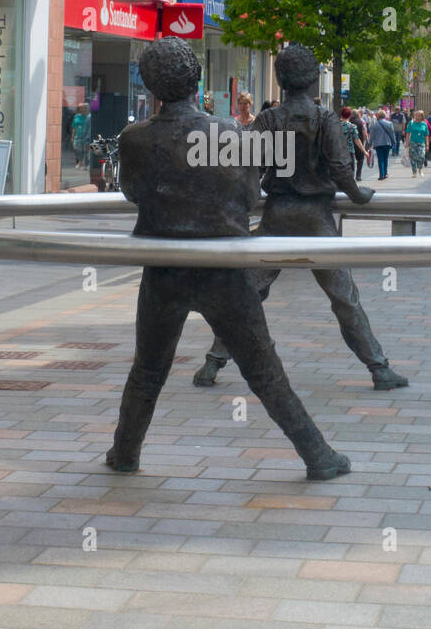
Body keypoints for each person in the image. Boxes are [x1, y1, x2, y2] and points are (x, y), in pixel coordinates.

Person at [111, 38, 350, 481]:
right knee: (264, 369)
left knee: (148, 367)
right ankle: (318, 455)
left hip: (163, 266)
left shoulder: (134, 139)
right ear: (197, 79)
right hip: (225, 265)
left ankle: (125, 453)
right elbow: (247, 196)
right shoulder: (230, 135)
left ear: (150, 88)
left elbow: (133, 193)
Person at [193, 44, 408, 394]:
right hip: (316, 219)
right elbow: (340, 167)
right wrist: (357, 195)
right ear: (312, 80)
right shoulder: (325, 120)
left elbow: (245, 165)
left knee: (249, 292)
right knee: (343, 297)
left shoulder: (268, 119)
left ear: (279, 78)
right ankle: (379, 368)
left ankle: (212, 364)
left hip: (278, 215)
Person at [369, 108, 396, 180]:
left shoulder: (374, 124)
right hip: (387, 143)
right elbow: (392, 134)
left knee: (380, 159)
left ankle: (381, 174)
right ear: (384, 115)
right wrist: (394, 141)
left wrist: (369, 144)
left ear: (378, 115)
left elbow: (372, 135)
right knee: (385, 159)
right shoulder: (389, 123)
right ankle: (386, 173)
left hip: (378, 144)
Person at [404, 110, 430, 175]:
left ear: (422, 116)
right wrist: (406, 143)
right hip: (413, 142)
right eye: (416, 115)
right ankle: (414, 171)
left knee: (422, 157)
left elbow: (426, 135)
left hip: (421, 143)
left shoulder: (424, 124)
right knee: (413, 157)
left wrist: (427, 144)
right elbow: (408, 133)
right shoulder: (411, 123)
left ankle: (420, 169)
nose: (417, 116)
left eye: (419, 115)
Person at [70, 102, 91, 166]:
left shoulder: (89, 116)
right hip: (78, 136)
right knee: (77, 149)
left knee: (86, 150)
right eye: (81, 108)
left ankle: (85, 163)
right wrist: (72, 137)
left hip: (87, 136)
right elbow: (74, 127)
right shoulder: (77, 117)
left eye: (85, 108)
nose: (83, 109)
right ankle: (80, 161)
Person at [351, 108, 368, 180]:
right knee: (360, 159)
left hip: (350, 143)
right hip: (359, 142)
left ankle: (351, 175)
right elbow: (364, 134)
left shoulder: (348, 121)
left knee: (351, 160)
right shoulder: (360, 122)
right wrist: (364, 141)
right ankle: (358, 175)